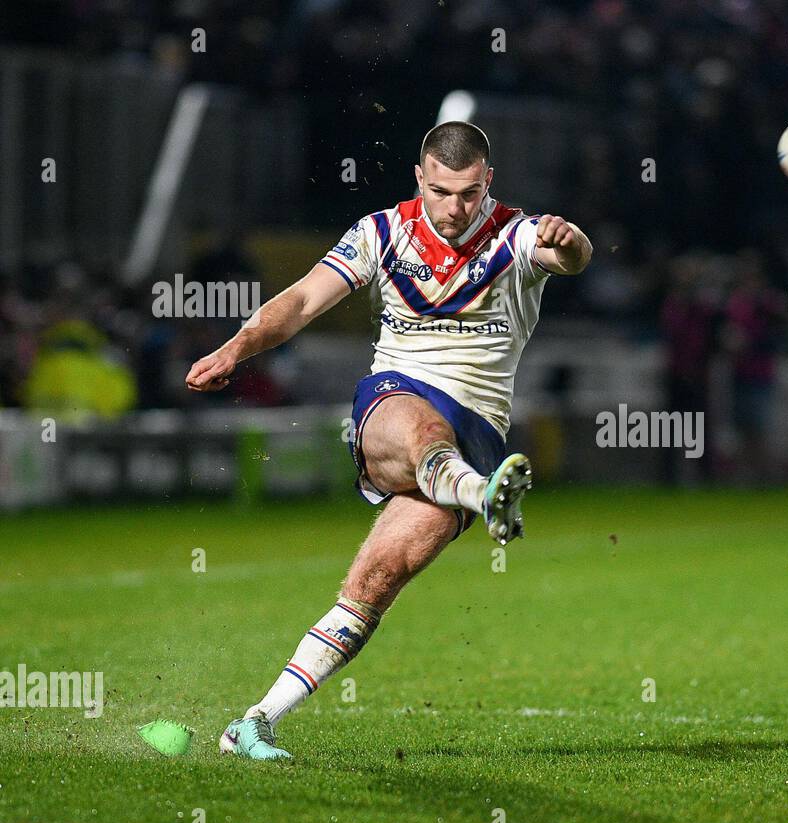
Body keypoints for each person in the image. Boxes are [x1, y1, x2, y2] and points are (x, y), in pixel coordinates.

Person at [185, 122, 592, 760]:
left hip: (479, 432)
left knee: (379, 579)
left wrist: (572, 241)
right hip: (394, 401)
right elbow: (299, 303)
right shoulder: (380, 232)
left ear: (488, 181)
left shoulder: (516, 234)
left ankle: (253, 724)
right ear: (418, 179)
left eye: (467, 192)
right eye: (440, 192)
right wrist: (237, 347)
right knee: (426, 430)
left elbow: (569, 259)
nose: (454, 208)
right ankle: (485, 496)